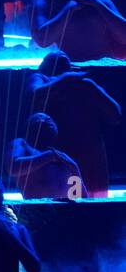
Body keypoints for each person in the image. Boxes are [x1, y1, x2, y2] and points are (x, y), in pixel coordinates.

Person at [27, 50, 119, 197]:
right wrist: (66, 79)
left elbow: (115, 115)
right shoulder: (41, 79)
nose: (60, 56)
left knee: (93, 198)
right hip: (64, 152)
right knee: (72, 197)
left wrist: (89, 88)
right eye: (54, 60)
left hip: (90, 150)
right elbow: (34, 95)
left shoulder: (85, 84)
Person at [9, 113, 82, 200]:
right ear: (29, 128)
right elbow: (13, 167)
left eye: (49, 118)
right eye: (38, 118)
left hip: (68, 207)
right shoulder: (21, 144)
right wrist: (50, 156)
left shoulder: (60, 155)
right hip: (38, 207)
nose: (45, 118)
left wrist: (74, 168)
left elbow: (80, 195)